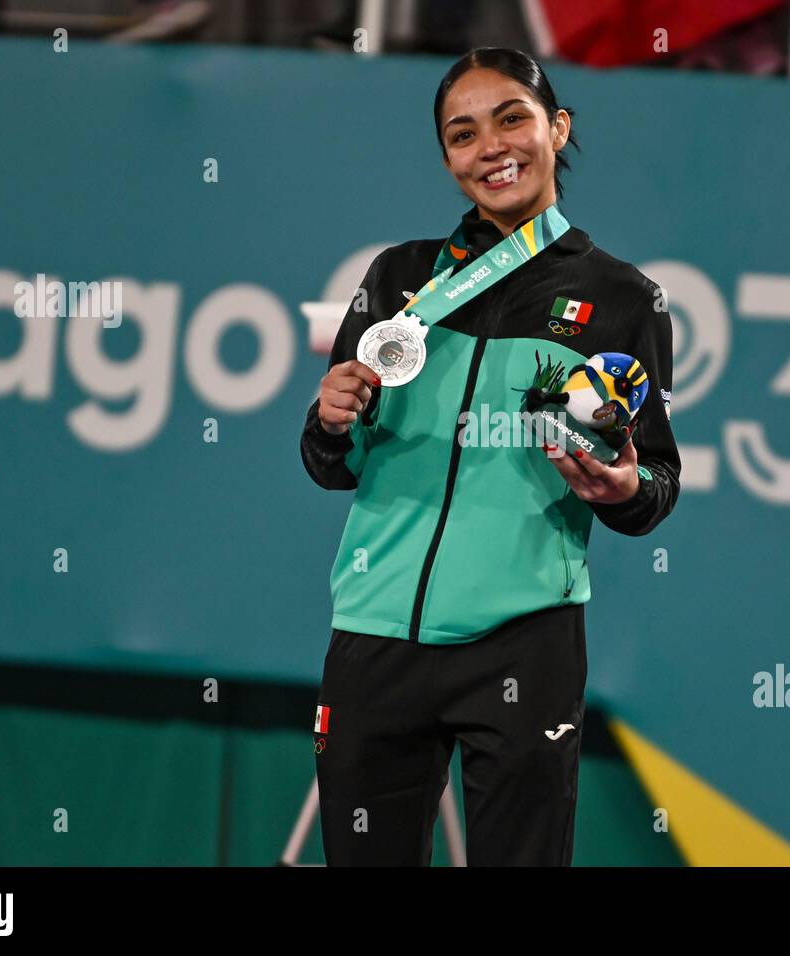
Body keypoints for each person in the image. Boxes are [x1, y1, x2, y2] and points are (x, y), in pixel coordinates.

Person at [301, 47, 680, 866]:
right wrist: (330, 421)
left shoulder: (622, 297)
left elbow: (656, 483)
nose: (492, 147)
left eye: (513, 118)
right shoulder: (398, 278)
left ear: (557, 128)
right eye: (463, 133)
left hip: (524, 642)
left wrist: (621, 487)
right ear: (447, 159)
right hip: (376, 636)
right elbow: (332, 462)